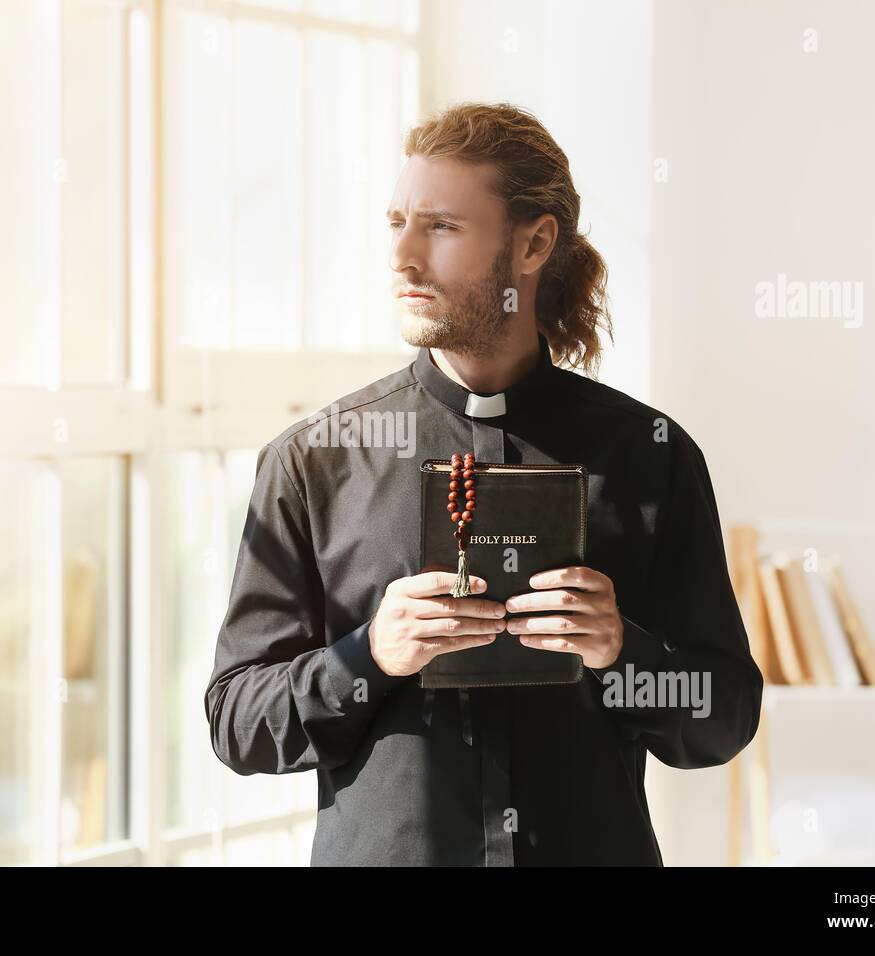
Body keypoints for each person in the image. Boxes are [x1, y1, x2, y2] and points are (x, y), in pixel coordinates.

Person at [204, 102, 763, 866]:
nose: (402, 256)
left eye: (440, 227)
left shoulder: (651, 456)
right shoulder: (313, 462)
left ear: (533, 245)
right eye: (395, 221)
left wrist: (619, 650)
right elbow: (236, 724)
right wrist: (369, 657)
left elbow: (722, 719)